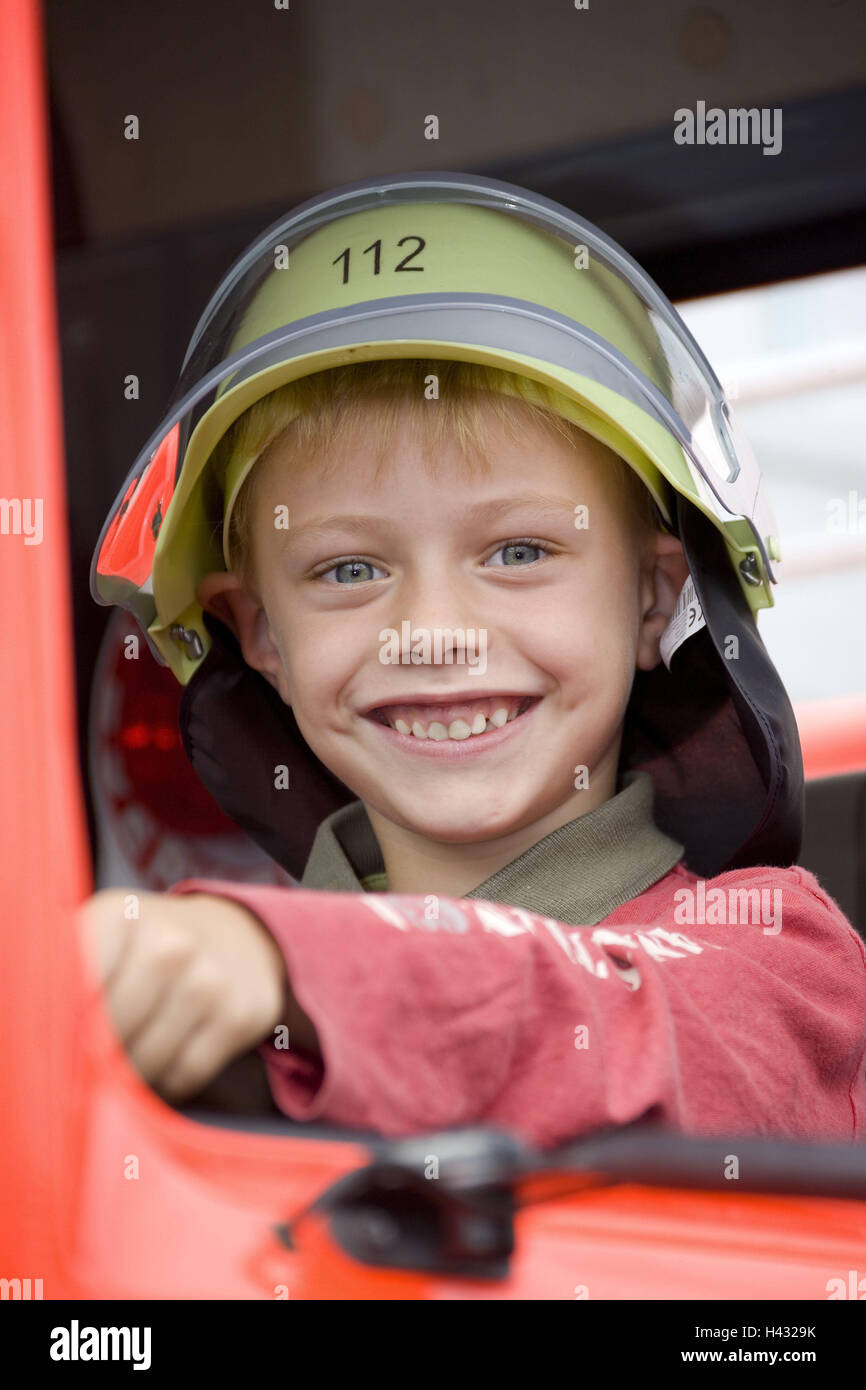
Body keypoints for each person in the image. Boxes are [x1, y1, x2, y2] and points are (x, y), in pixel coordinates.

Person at [79, 171, 866, 1146]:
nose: (434, 630)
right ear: (262, 636)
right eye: (350, 567)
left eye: (518, 552)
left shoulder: (779, 954)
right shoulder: (192, 1005)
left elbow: (614, 1034)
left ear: (651, 599)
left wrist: (289, 971)